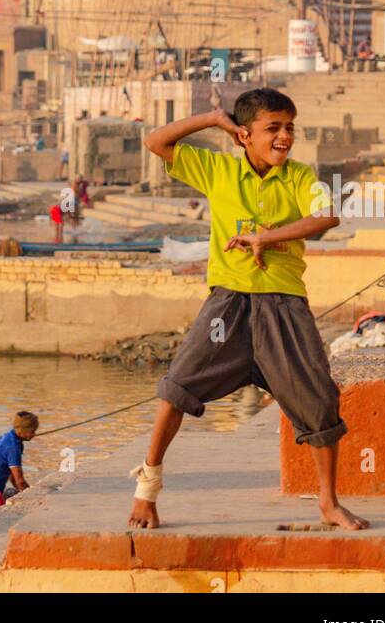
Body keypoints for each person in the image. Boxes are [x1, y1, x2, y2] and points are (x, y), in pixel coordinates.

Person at [129, 89, 367, 534]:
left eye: (289, 128)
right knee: (178, 387)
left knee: (319, 401)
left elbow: (326, 218)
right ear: (245, 135)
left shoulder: (298, 176)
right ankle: (147, 489)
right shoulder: (217, 170)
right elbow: (157, 142)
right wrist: (212, 119)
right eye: (273, 128)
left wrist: (266, 239)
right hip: (228, 303)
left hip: (284, 305)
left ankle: (328, 502)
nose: (284, 137)